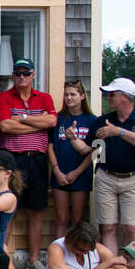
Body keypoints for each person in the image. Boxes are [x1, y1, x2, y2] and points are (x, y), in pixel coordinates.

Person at [0, 57, 56, 269]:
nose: (22, 77)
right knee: (8, 209)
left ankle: (33, 259)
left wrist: (21, 119)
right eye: (18, 73)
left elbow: (52, 122)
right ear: (13, 75)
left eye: (26, 73)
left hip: (38, 159)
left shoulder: (45, 98)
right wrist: (36, 124)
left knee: (36, 210)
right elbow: (4, 125)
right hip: (13, 159)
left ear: (33, 75)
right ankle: (1, 261)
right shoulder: (3, 98)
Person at [87, 78, 135, 251]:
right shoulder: (102, 120)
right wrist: (72, 139)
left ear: (125, 97)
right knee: (108, 227)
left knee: (130, 227)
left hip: (133, 179)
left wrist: (119, 132)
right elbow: (87, 148)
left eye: (112, 94)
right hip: (106, 177)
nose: (108, 98)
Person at [47, 80, 97, 234]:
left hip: (81, 175)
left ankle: (75, 254)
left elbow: (95, 151)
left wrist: (77, 172)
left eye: (73, 94)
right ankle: (58, 253)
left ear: (82, 96)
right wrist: (57, 171)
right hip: (60, 174)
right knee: (61, 219)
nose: (69, 98)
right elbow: (50, 147)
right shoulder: (58, 119)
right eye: (66, 94)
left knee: (77, 220)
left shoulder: (92, 120)